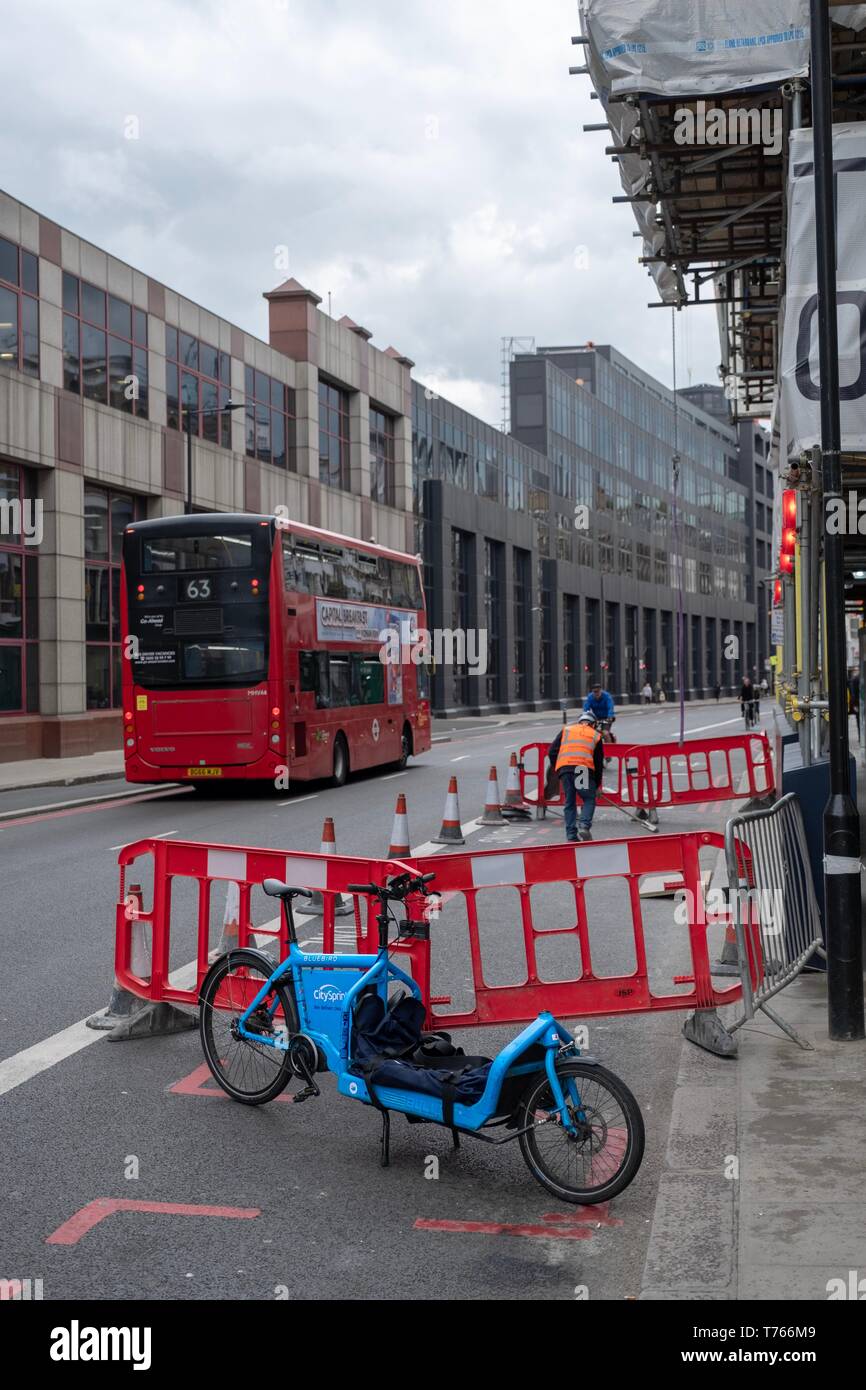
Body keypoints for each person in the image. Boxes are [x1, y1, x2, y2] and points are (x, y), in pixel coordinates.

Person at [547, 712, 605, 842]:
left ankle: (571, 835)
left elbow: (551, 751)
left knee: (570, 802)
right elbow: (598, 763)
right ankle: (584, 825)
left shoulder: (566, 730)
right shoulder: (595, 735)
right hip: (581, 769)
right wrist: (597, 785)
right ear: (593, 724)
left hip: (565, 769)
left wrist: (558, 768)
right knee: (589, 798)